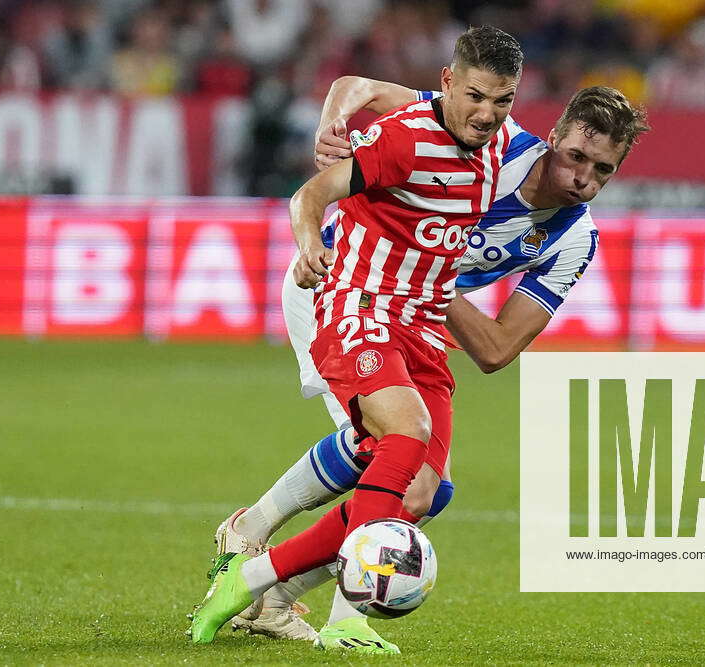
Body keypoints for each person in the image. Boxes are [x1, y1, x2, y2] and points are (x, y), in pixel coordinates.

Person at [207, 78, 650, 654]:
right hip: (342, 285)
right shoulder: (491, 141)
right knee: (391, 451)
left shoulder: (573, 241)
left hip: (414, 314)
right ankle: (266, 556)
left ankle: (273, 585)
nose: (583, 179)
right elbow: (359, 87)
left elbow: (496, 349)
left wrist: (432, 279)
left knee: (423, 495)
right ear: (552, 138)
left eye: (602, 170)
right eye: (575, 157)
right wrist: (330, 128)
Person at [187, 25, 525, 652]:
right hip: (359, 307)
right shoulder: (406, 138)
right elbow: (311, 193)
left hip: (422, 325)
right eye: (476, 96)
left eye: (502, 100)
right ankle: (345, 617)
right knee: (403, 434)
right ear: (448, 82)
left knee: (422, 492)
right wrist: (310, 244)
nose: (486, 114)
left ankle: (252, 578)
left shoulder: (502, 140)